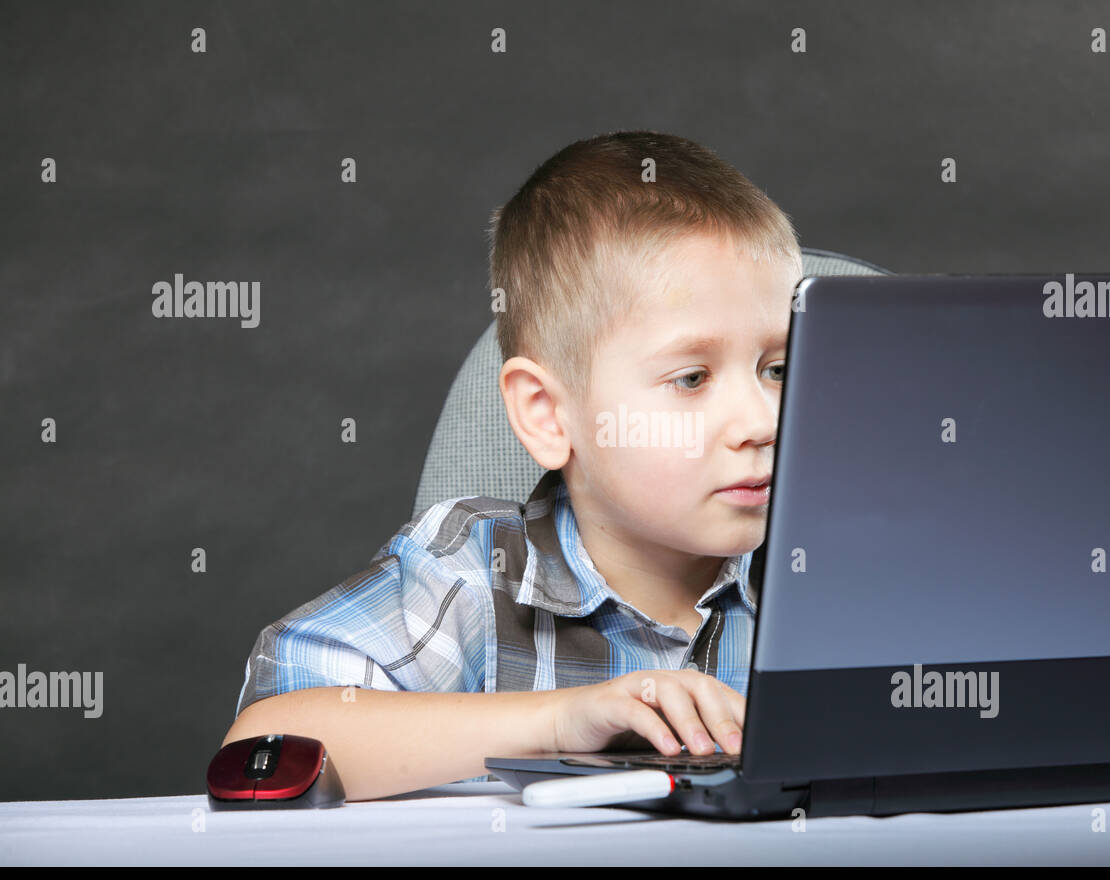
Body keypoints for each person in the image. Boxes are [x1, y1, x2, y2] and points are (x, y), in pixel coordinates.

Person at [220, 129, 803, 800]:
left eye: (778, 368)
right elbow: (264, 748)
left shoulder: (828, 567)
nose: (762, 422)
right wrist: (558, 720)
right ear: (548, 415)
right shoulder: (469, 573)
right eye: (692, 378)